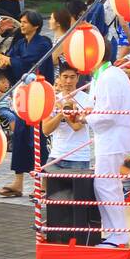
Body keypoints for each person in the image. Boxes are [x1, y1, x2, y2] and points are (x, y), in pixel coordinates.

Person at [0, 11, 53, 199]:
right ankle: (18, 182)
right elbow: (13, 62)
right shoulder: (20, 43)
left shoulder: (43, 43)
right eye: (21, 21)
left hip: (39, 95)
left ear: (36, 25)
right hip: (23, 97)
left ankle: (43, 182)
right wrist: (5, 64)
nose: (22, 25)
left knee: (36, 138)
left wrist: (7, 60)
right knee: (19, 135)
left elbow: (28, 63)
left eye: (25, 22)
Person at [86, 59, 130, 249]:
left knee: (107, 185)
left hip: (113, 137)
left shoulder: (110, 76)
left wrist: (86, 117)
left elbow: (108, 113)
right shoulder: (104, 76)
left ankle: (119, 234)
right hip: (109, 137)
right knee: (107, 185)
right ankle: (113, 233)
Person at [42, 63, 93, 198]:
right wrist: (60, 113)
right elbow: (45, 130)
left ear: (78, 78)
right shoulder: (52, 101)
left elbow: (77, 127)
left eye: (72, 77)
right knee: (54, 201)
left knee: (77, 201)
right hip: (56, 156)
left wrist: (65, 110)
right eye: (65, 77)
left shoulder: (86, 100)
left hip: (79, 157)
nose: (68, 81)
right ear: (59, 78)